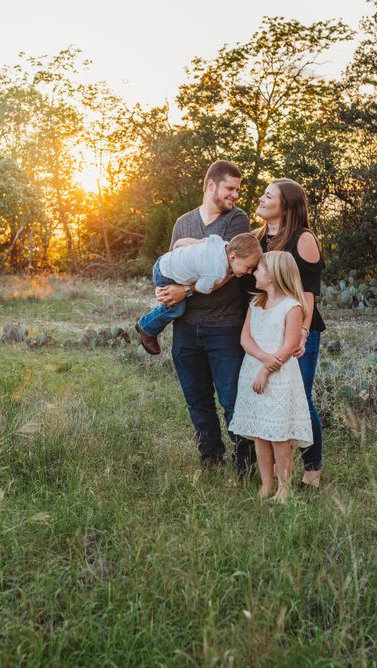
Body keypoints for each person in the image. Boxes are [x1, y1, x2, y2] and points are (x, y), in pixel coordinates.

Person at [154, 160, 256, 470]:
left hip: (225, 326)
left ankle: (246, 465)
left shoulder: (236, 220)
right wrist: (166, 291)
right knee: (197, 399)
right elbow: (174, 264)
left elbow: (229, 270)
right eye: (230, 188)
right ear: (211, 185)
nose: (235, 195)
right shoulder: (183, 222)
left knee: (231, 399)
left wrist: (184, 292)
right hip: (186, 327)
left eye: (237, 190)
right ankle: (211, 459)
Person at [253, 179, 326, 488]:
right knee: (269, 396)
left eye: (269, 196)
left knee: (299, 397)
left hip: (298, 329)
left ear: (286, 206)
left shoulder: (302, 238)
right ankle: (273, 471)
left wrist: (303, 331)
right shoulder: (257, 238)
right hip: (266, 331)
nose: (261, 198)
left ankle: (312, 468)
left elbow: (308, 292)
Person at [228, 251, 313, 503]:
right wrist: (262, 359)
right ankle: (266, 484)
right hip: (253, 371)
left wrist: (267, 368)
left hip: (278, 376)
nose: (254, 273)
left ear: (273, 276)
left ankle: (284, 488)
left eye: (259, 269)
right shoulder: (255, 303)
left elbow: (289, 345)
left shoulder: (292, 307)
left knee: (278, 434)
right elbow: (245, 338)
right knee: (260, 432)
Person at [135, 233, 262, 355]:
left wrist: (181, 251)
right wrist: (224, 280)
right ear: (233, 257)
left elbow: (194, 242)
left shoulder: (220, 243)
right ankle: (147, 327)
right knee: (176, 308)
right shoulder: (216, 273)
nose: (250, 272)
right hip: (167, 274)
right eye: (248, 267)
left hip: (165, 260)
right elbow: (202, 288)